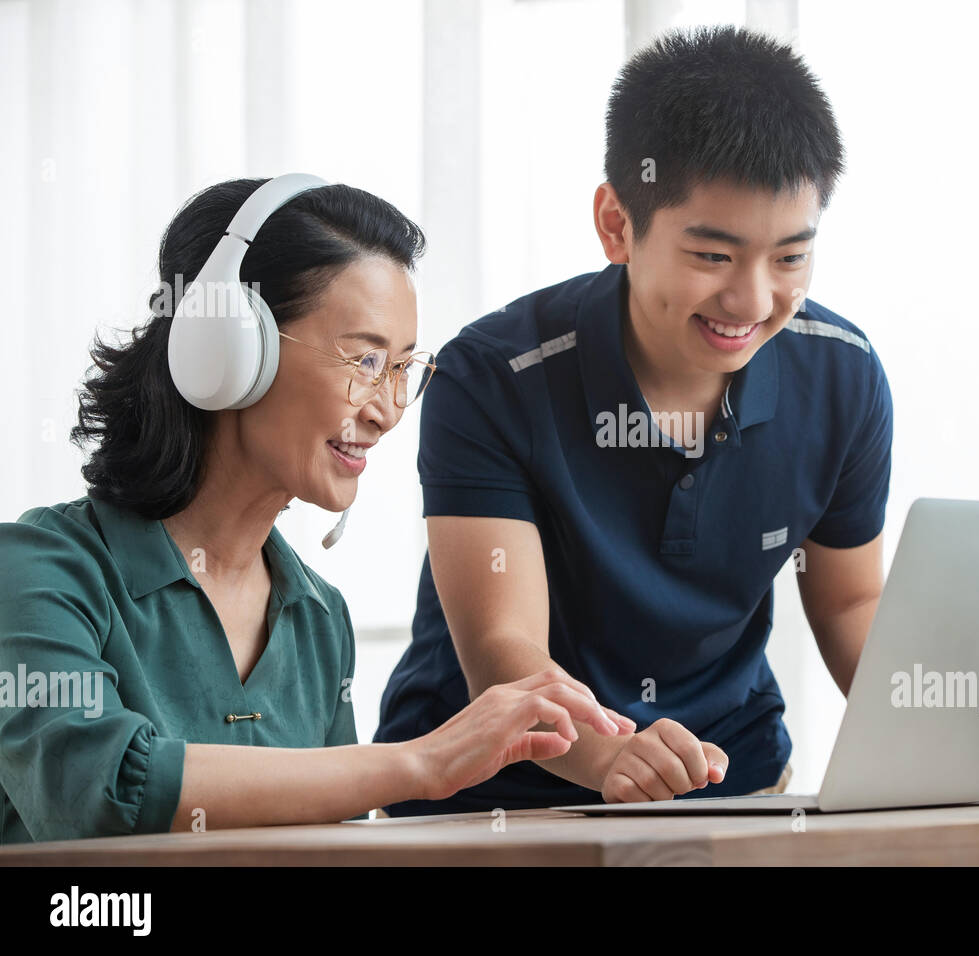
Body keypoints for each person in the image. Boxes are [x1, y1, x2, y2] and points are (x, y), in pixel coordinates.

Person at [0, 177, 633, 844]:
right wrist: (418, 761)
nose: (387, 411)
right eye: (364, 360)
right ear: (229, 346)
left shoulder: (317, 617)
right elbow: (102, 792)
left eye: (402, 370)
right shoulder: (39, 573)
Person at [375, 25, 892, 815]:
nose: (753, 301)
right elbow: (502, 649)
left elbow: (851, 603)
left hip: (732, 780)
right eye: (713, 256)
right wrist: (612, 755)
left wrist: (962, 732)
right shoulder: (492, 376)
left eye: (790, 258)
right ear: (617, 224)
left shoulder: (844, 375)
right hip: (491, 802)